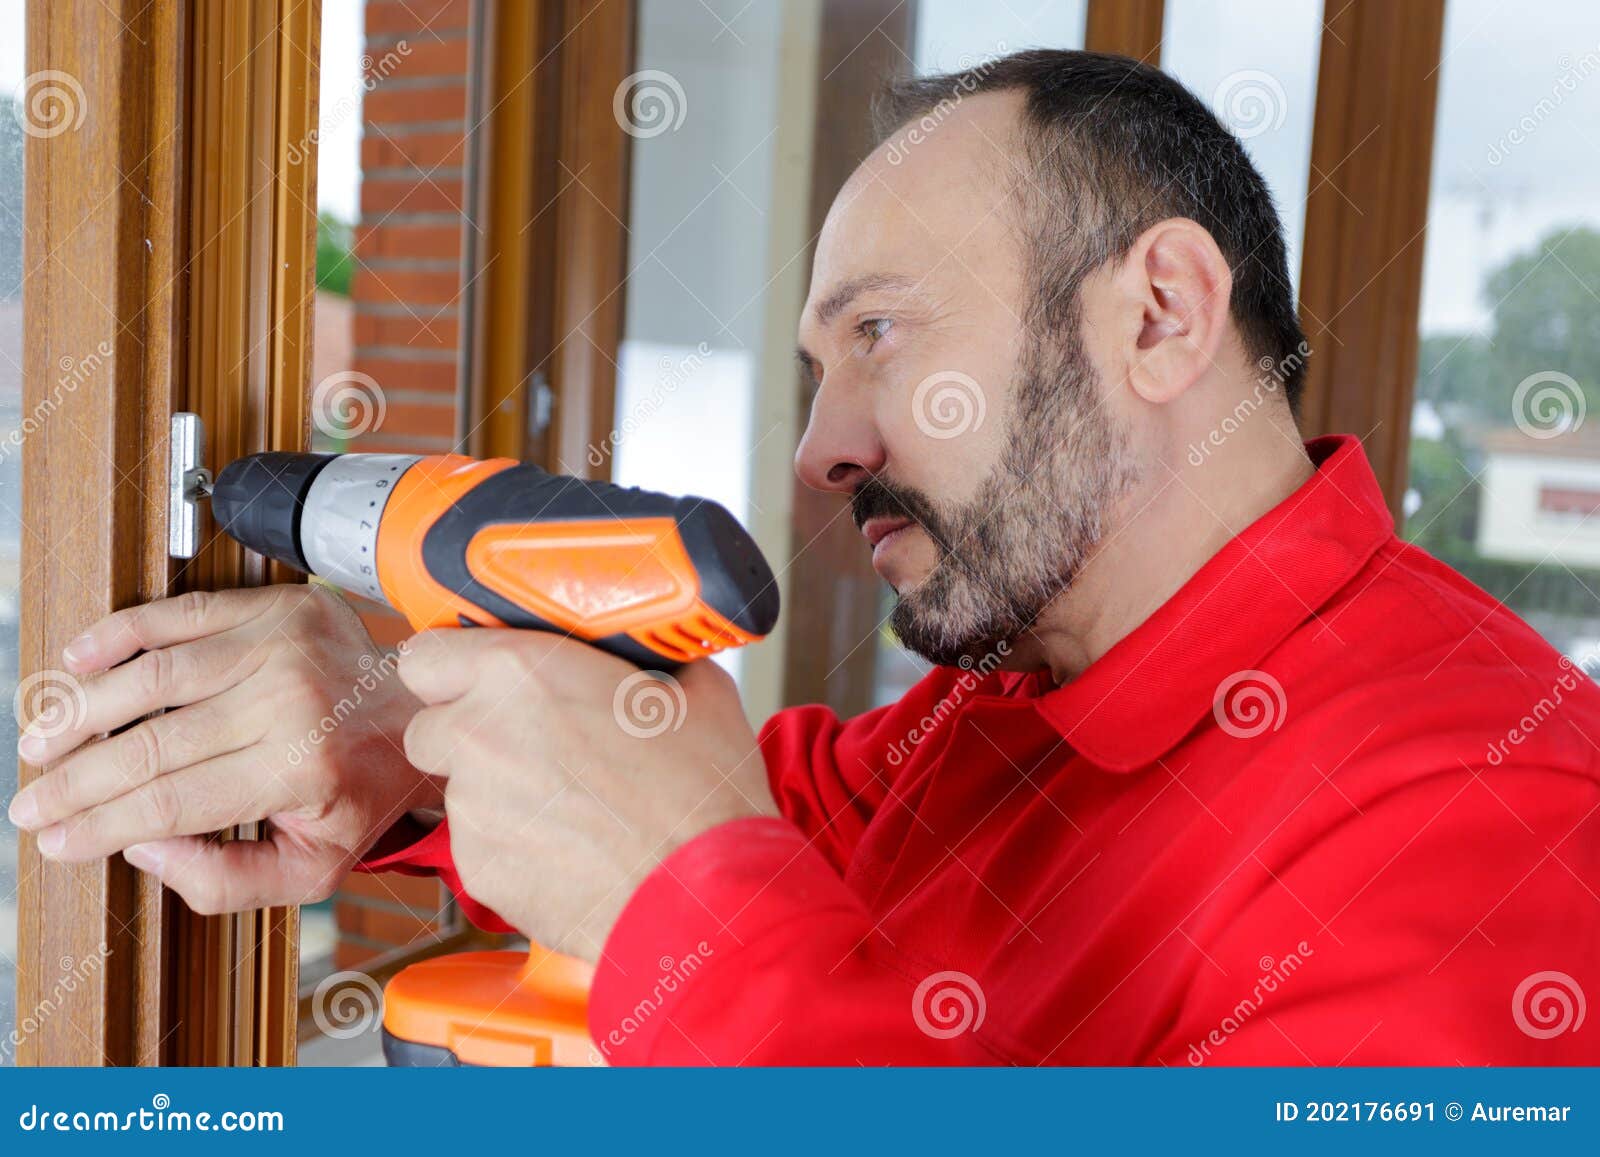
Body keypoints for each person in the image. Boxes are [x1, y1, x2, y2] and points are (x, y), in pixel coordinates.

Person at [10, 51, 1599, 1065]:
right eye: (815, 370)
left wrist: (692, 916)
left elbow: (726, 867)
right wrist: (393, 747)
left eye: (880, 335)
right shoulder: (1013, 699)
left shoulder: (1494, 823)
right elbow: (785, 814)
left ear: (1163, 313)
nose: (820, 450)